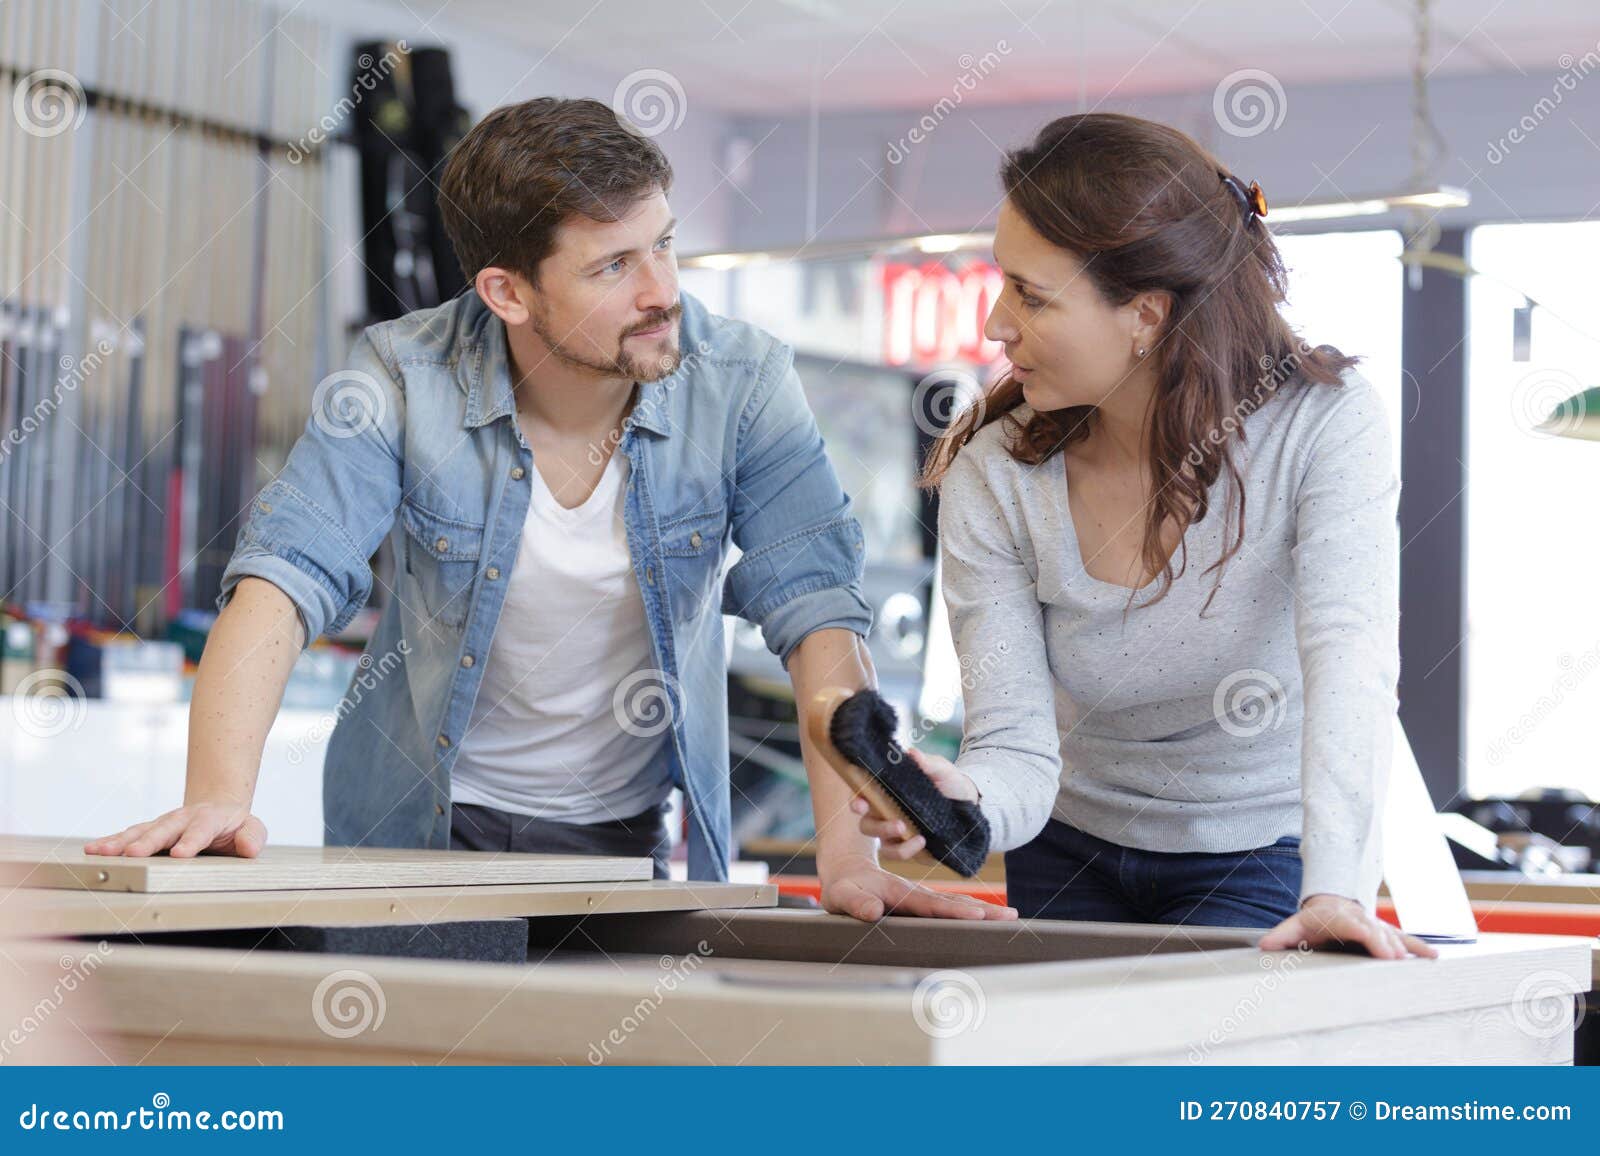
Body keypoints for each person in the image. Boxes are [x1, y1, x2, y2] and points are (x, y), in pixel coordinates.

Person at [85, 97, 1013, 926]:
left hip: (624, 838)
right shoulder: (402, 379)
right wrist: (216, 797)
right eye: (614, 265)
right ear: (507, 292)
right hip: (419, 837)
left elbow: (815, 612)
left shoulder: (744, 382)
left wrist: (846, 859)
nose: (662, 291)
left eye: (664, 243)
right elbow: (286, 579)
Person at [858, 112, 1433, 958]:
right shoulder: (997, 470)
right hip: (1067, 844)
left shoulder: (1321, 427)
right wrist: (962, 794)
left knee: (1199, 1085)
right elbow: (1016, 747)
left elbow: (1350, 659)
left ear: (1147, 314)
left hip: (1253, 851)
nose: (994, 324)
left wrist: (1339, 884)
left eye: (1032, 293)